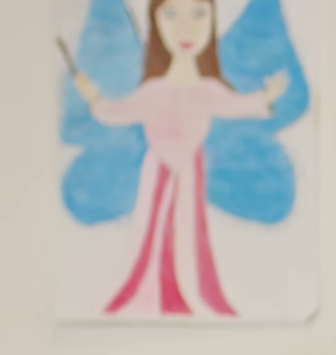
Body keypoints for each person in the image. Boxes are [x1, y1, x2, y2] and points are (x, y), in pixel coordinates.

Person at [72, 0, 290, 316]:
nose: (186, 28)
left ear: (213, 21)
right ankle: (148, 290)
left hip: (191, 169)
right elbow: (116, 112)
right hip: (157, 169)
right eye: (171, 15)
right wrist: (92, 95)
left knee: (188, 230)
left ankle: (188, 290)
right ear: (155, 23)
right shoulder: (154, 90)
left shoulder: (208, 89)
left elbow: (236, 105)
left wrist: (267, 97)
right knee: (152, 230)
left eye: (199, 14)